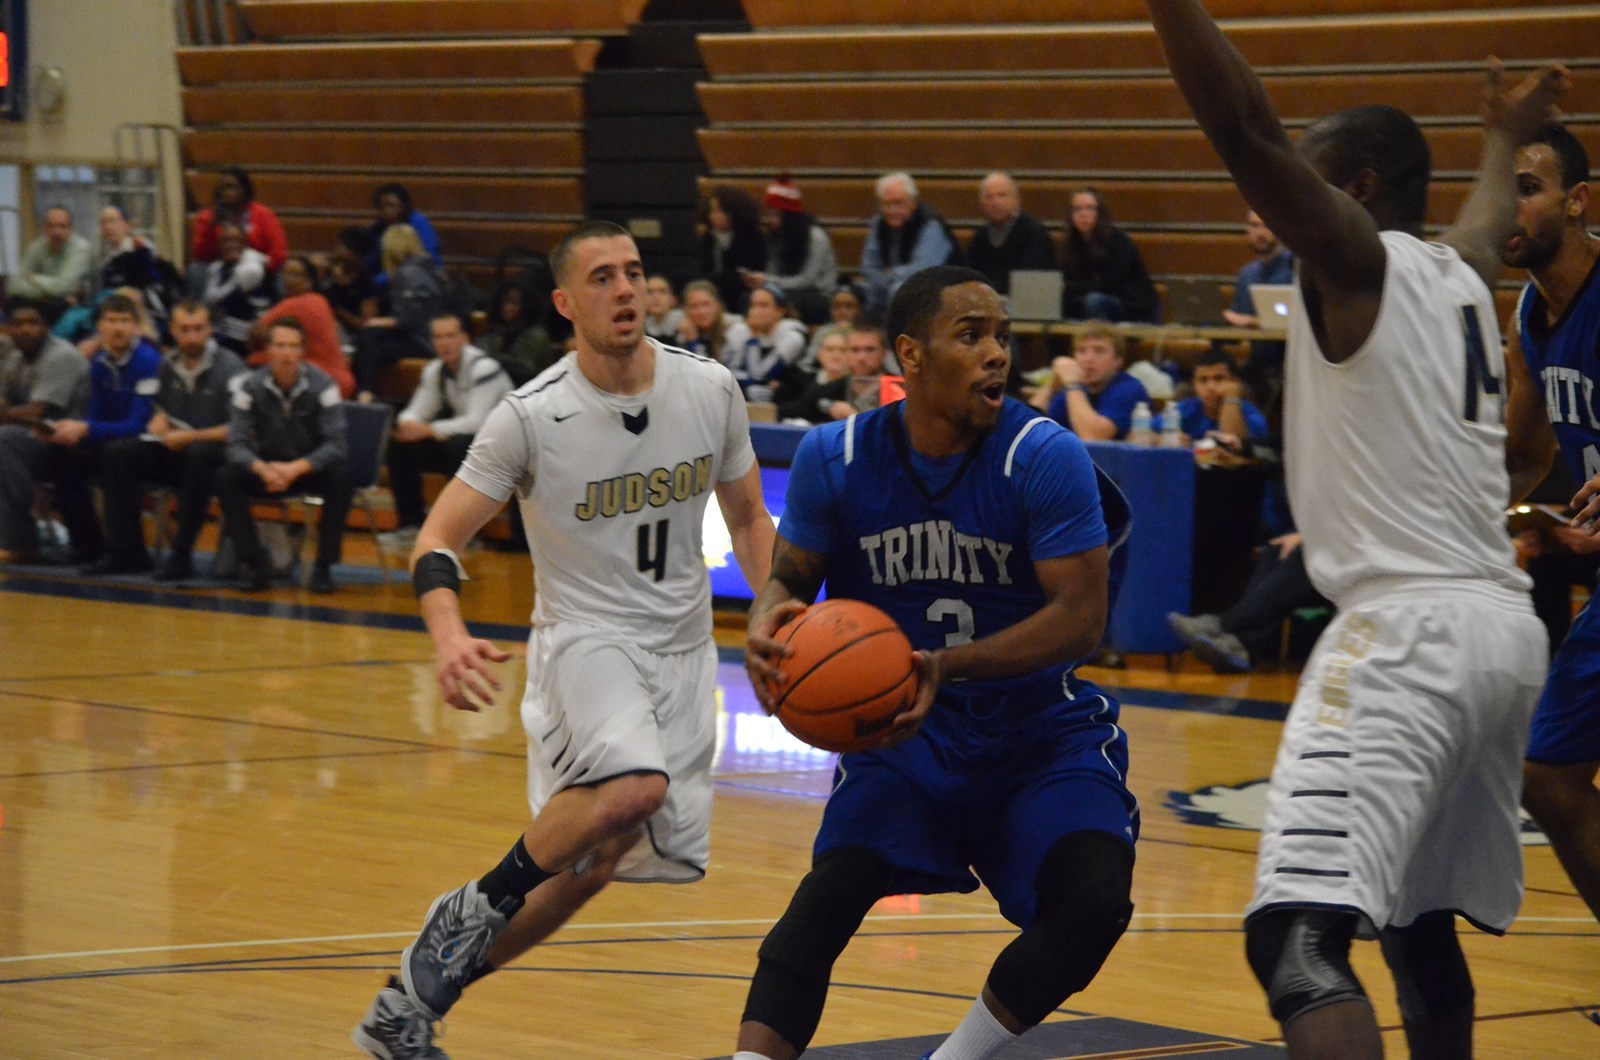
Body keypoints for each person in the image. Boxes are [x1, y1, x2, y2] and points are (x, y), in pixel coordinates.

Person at [1146, 1, 1566, 1055]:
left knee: (1297, 939)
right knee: (1416, 924)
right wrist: (1504, 138)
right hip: (1501, 633)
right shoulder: (1462, 273)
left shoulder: (1358, 263)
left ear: (1357, 190)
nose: (1288, 189)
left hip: (1405, 636)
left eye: (1313, 170)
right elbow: (1476, 213)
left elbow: (1241, 130)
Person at [350, 220, 775, 1057]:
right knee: (635, 790)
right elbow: (436, 540)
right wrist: (448, 636)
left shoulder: (710, 388)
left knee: (592, 868)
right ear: (565, 302)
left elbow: (751, 517)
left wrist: (775, 613)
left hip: (684, 650)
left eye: (635, 273)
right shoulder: (531, 416)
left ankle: (408, 1007)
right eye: (604, 277)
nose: (626, 289)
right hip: (588, 642)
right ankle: (462, 911)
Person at [733, 266, 1136, 1060]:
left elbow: (1082, 621)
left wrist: (944, 667)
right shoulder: (835, 456)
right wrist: (765, 615)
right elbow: (790, 574)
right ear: (911, 356)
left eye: (1003, 337)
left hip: (1038, 734)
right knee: (826, 898)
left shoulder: (1042, 455)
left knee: (1092, 904)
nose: (996, 355)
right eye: (972, 335)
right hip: (901, 741)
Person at [1499, 121, 1600, 924]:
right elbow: (1520, 457)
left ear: (1577, 202)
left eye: (1527, 186)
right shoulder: (1532, 315)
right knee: (1548, 775)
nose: (1510, 202)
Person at [96, 301, 246, 581]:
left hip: (216, 456)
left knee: (199, 454)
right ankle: (126, 551)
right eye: (185, 329)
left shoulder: (232, 366)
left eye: (199, 329)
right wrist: (158, 421)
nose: (192, 336)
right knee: (118, 452)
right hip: (175, 449)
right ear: (173, 331)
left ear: (210, 329)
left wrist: (190, 436)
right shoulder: (165, 364)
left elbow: (241, 428)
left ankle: (181, 553)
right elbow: (158, 408)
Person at [216, 317, 352, 594]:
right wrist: (262, 469)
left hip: (308, 469)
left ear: (302, 351)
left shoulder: (324, 386)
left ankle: (323, 567)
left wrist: (296, 468)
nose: (287, 353)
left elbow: (337, 444)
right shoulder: (247, 387)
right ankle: (254, 563)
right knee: (226, 477)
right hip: (268, 469)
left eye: (293, 346)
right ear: (268, 350)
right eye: (280, 345)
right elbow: (235, 444)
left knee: (342, 476)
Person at [44, 294, 165, 570]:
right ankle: (87, 544)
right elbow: (95, 415)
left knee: (116, 454)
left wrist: (88, 428)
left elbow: (139, 423)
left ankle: (128, 553)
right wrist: (71, 431)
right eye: (111, 321)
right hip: (112, 440)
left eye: (124, 321)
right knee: (63, 451)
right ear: (100, 326)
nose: (117, 328)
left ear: (136, 327)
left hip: (145, 448)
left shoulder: (148, 360)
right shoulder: (99, 362)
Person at [380, 313, 513, 549]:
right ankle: (410, 526)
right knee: (401, 445)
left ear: (465, 338)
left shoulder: (484, 368)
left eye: (450, 336)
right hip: (467, 445)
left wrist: (429, 429)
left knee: (462, 445)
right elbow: (416, 410)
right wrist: (408, 425)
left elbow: (477, 422)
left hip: (504, 450)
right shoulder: (435, 370)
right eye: (438, 337)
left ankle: (464, 533)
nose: (444, 343)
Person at [0, 298, 89, 563]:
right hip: (32, 440)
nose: (26, 330)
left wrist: (8, 413)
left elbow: (36, 412)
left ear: (47, 327)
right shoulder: (14, 358)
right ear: (8, 329)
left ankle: (19, 541)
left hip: (71, 444)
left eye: (33, 323)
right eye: (19, 324)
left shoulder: (62, 356)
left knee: (5, 441)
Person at [352, 224, 446, 402]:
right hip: (426, 337)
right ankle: (368, 394)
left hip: (421, 340)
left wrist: (377, 322)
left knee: (368, 338)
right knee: (369, 350)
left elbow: (408, 320)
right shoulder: (428, 268)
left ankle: (365, 394)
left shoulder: (408, 273)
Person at [250, 255, 356, 398]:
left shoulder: (294, 304)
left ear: (309, 281)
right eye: (285, 273)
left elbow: (254, 335)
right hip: (341, 381)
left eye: (295, 275)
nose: (287, 279)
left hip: (319, 385)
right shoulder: (320, 300)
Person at [860, 171, 960, 317]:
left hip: (939, 289)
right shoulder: (878, 224)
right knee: (859, 292)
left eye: (898, 203)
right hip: (887, 287)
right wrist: (884, 280)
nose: (892, 210)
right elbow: (868, 266)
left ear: (913, 202)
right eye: (886, 204)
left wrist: (891, 273)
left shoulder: (930, 225)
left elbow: (922, 270)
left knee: (899, 290)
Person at [742, 176, 838, 325]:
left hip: (817, 294)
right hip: (785, 288)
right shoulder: (776, 237)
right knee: (749, 298)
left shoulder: (815, 237)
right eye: (769, 214)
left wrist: (768, 280)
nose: (771, 220)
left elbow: (807, 280)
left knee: (779, 302)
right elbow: (773, 270)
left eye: (776, 215)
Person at [1060, 189, 1160, 323]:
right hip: (1093, 302)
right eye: (1077, 209)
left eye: (1090, 208)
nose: (1083, 214)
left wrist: (1070, 288)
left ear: (1101, 213)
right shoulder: (1071, 245)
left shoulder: (1118, 241)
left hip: (1133, 308)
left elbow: (1109, 285)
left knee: (1094, 301)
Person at [1039, 325, 1151, 440]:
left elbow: (1093, 438)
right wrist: (1052, 384)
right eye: (1081, 351)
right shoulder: (1072, 390)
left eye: (1099, 351)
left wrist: (1073, 384)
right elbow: (1025, 427)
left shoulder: (1129, 388)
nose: (1088, 359)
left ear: (1117, 361)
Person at [964, 172, 1058, 295]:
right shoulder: (980, 237)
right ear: (981, 203)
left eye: (1002, 195)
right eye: (989, 197)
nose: (995, 202)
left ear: (1017, 200)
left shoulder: (1033, 233)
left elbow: (1032, 280)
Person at [190, 166, 289, 274]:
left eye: (233, 187)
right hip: (221, 268)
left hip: (256, 268)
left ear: (244, 190)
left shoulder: (263, 214)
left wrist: (260, 268)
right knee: (195, 270)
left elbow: (278, 252)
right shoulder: (208, 217)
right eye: (223, 188)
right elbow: (200, 254)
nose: (228, 193)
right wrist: (212, 226)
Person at [720, 284, 809, 403]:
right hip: (756, 391)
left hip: (787, 398)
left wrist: (754, 338)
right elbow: (728, 371)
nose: (755, 311)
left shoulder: (792, 336)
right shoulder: (742, 330)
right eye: (753, 305)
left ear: (780, 311)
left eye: (763, 305)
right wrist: (748, 384)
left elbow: (760, 375)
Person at [1165, 347, 1268, 446]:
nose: (1211, 387)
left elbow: (1234, 447)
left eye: (1219, 378)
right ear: (1194, 385)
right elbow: (1151, 431)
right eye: (1203, 380)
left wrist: (1231, 396)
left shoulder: (1251, 415)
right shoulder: (1185, 408)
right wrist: (1167, 438)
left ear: (1235, 382)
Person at [201, 222, 272, 356]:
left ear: (245, 245)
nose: (231, 245)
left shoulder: (252, 270)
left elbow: (216, 300)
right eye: (226, 241)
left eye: (237, 241)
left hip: (248, 338)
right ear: (219, 245)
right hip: (221, 333)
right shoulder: (216, 269)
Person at [12, 206, 92, 318]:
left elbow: (64, 286)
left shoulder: (81, 248)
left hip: (76, 305)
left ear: (71, 229)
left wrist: (34, 279)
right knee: (15, 300)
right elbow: (14, 285)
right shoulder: (37, 247)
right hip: (47, 301)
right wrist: (46, 296)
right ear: (44, 228)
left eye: (62, 226)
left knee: (59, 305)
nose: (56, 231)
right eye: (51, 226)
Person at [699, 185, 768, 314]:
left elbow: (753, 269)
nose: (715, 216)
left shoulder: (752, 236)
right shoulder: (707, 237)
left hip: (742, 291)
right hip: (713, 286)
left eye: (721, 211)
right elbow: (703, 269)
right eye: (712, 211)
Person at [366, 183, 442, 283]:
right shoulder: (377, 228)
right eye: (381, 207)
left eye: (391, 206)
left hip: (419, 283)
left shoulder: (418, 223)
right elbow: (369, 260)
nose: (387, 211)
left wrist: (382, 280)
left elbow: (431, 260)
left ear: (405, 206)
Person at [776, 326, 850, 424]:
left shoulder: (855, 386)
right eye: (829, 349)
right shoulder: (802, 380)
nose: (836, 355)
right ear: (819, 354)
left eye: (842, 350)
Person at [676, 279, 739, 363]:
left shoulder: (735, 329)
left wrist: (694, 343)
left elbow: (718, 373)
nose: (701, 312)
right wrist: (691, 341)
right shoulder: (685, 333)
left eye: (706, 304)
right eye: (694, 306)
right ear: (686, 310)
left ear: (717, 305)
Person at [643, 274, 685, 342]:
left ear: (673, 299)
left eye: (662, 291)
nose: (656, 297)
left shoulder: (685, 322)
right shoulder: (642, 327)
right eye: (650, 292)